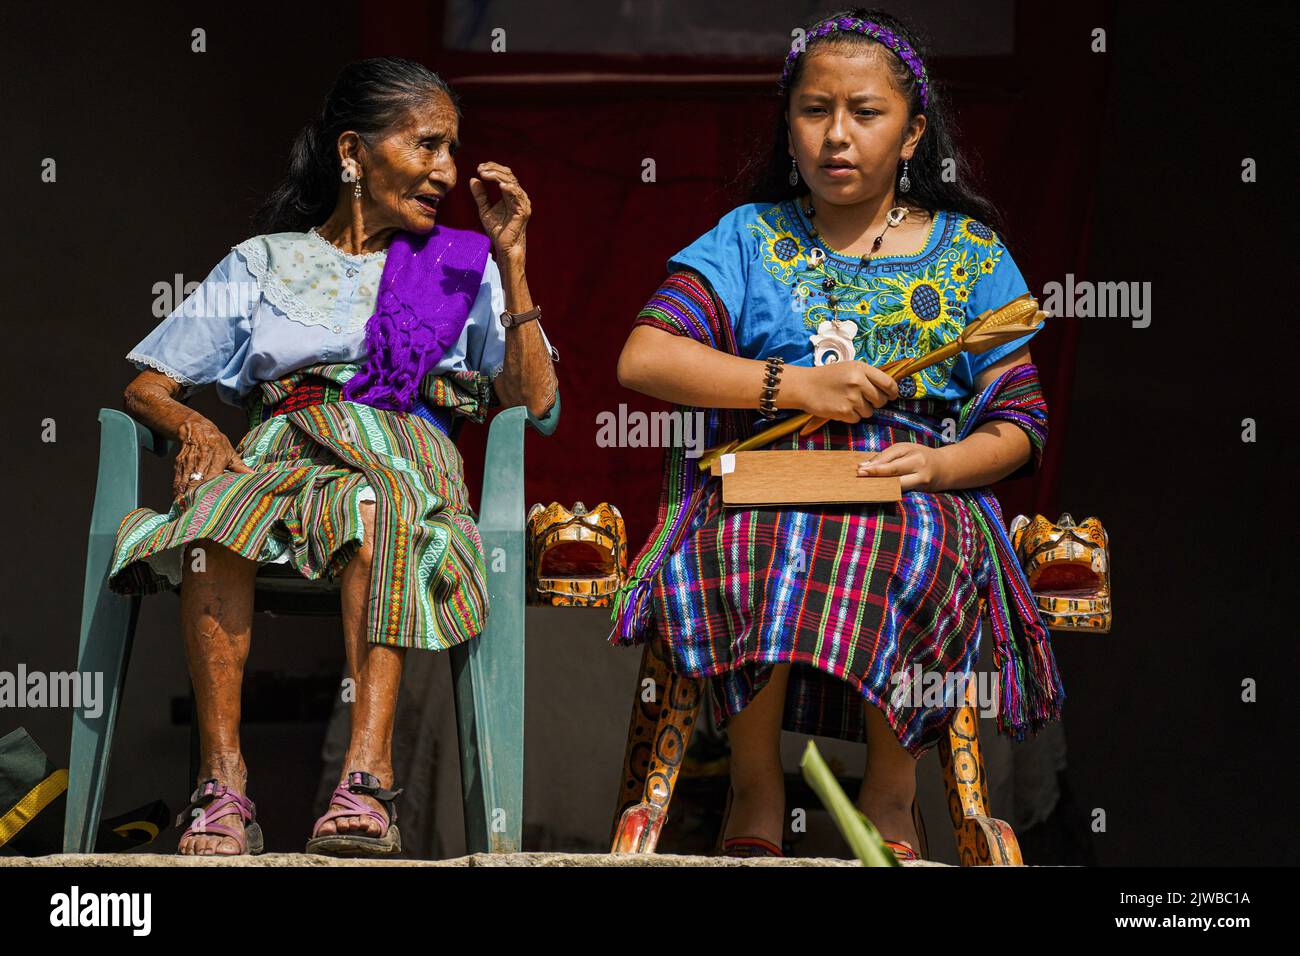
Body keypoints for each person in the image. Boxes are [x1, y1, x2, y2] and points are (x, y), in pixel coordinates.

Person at [612, 8, 1064, 861]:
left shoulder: (970, 256)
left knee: (907, 547)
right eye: (815, 111)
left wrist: (939, 464)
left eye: (866, 112)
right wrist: (795, 384)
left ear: (913, 132)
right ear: (789, 125)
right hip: (769, 476)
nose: (837, 135)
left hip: (914, 487)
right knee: (750, 542)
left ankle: (892, 801)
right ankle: (757, 791)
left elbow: (1019, 425)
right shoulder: (749, 239)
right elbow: (644, 357)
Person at [107, 57, 558, 857]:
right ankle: (222, 786)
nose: (447, 173)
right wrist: (197, 427)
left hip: (400, 454)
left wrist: (513, 261)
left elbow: (534, 403)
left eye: (453, 151)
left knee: (375, 504)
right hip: (279, 455)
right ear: (354, 152)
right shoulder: (263, 261)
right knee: (212, 515)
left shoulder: (462, 266)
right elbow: (149, 384)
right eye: (428, 147)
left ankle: (367, 779)